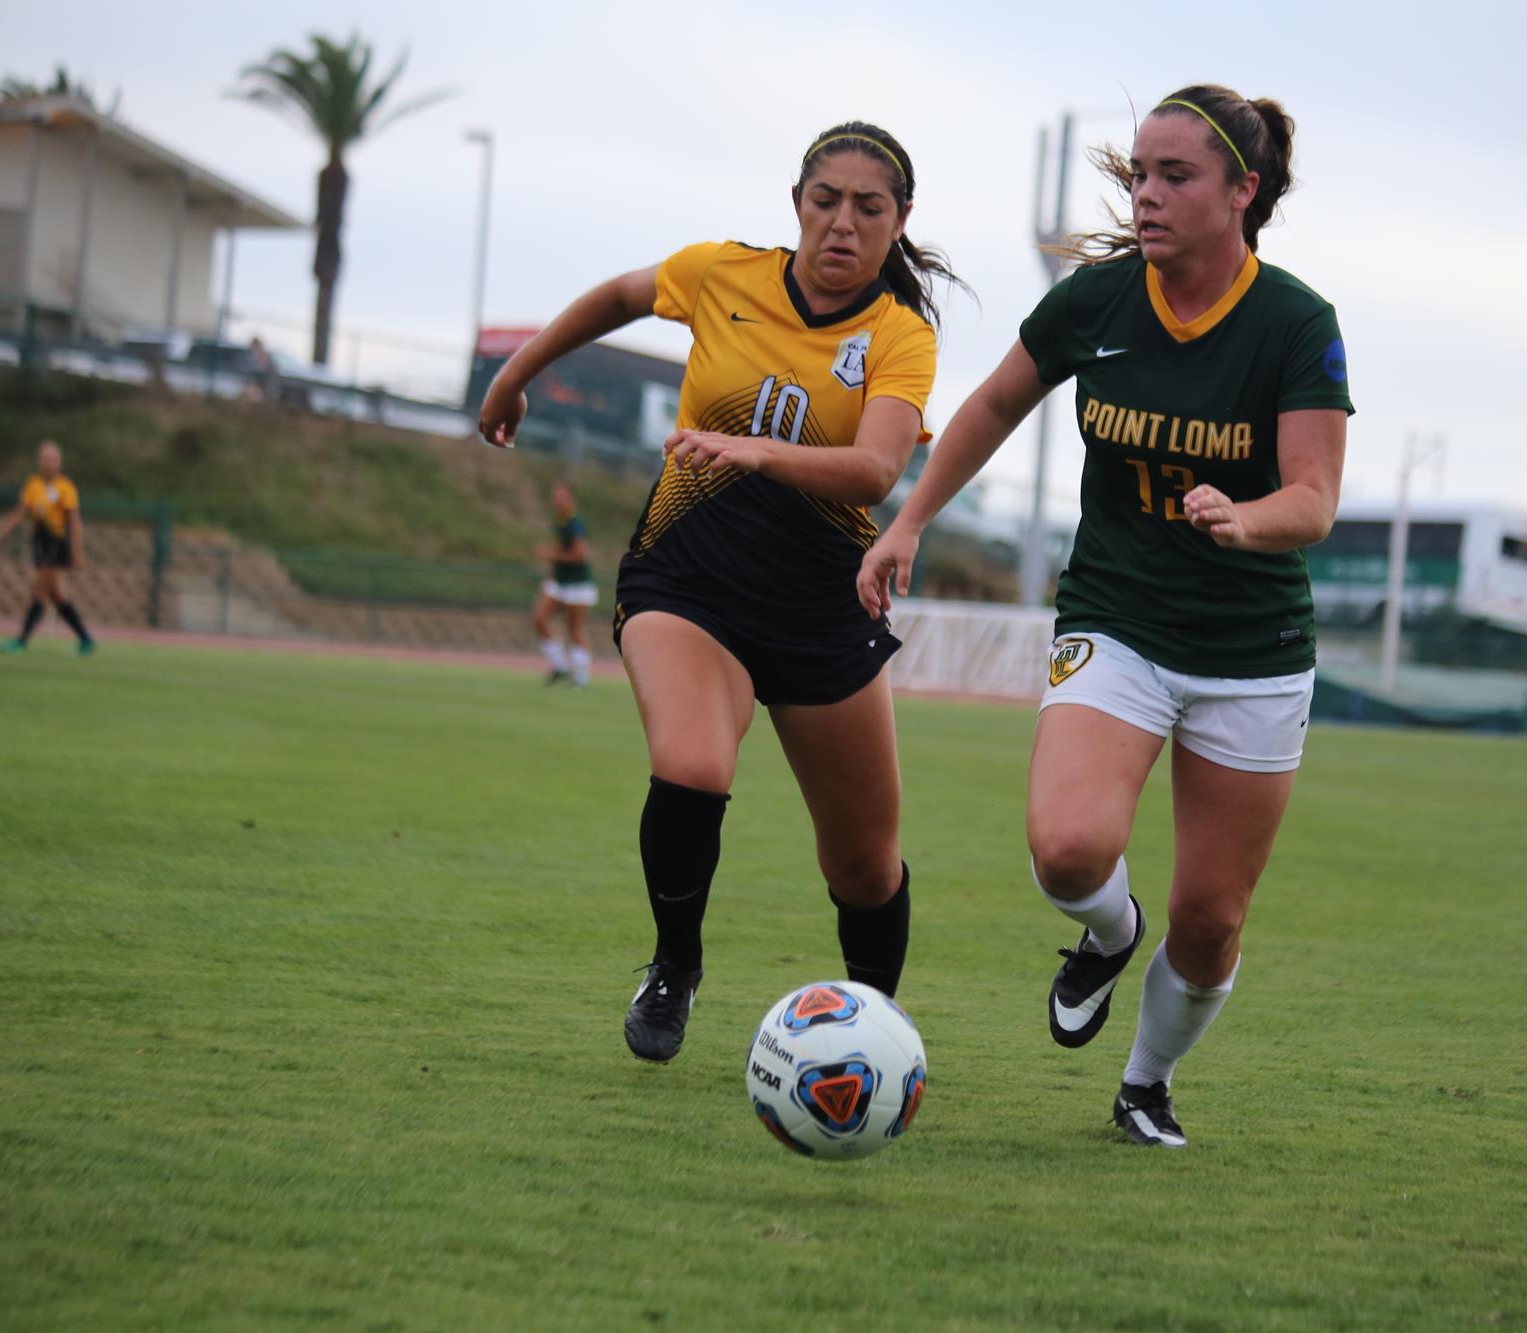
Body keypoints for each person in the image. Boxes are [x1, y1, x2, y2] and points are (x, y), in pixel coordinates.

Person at [859, 85, 1352, 1147]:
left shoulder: (1295, 324)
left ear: (1242, 192)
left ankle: (1143, 1083)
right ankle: (1105, 933)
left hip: (1251, 651)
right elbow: (991, 404)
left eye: (1174, 176)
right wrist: (909, 522)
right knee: (1070, 849)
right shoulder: (1096, 301)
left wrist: (1245, 516)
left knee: (1213, 920)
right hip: (1117, 616)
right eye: (1139, 173)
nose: (1147, 194)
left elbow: (1312, 500)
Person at [478, 121, 960, 1063]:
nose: (842, 225)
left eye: (869, 208)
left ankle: (872, 1035)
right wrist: (514, 375)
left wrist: (755, 451)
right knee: (693, 766)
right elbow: (620, 294)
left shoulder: (900, 335)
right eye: (826, 201)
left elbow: (872, 471)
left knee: (863, 865)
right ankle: (674, 965)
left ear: (900, 223)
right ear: (796, 204)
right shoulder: (720, 274)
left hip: (822, 606)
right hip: (687, 580)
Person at [0, 440, 97, 656]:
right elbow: (20, 513)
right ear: (39, 462)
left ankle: (21, 641)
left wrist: (78, 552)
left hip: (57, 544)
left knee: (38, 591)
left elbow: (74, 521)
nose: (48, 463)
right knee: (57, 596)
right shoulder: (33, 484)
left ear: (59, 462)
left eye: (52, 459)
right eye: (44, 458)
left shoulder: (66, 487)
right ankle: (86, 639)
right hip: (40, 541)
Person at [533, 480, 596, 686]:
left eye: (562, 496)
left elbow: (580, 555)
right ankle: (559, 664)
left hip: (577, 584)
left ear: (570, 498)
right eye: (555, 496)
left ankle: (581, 676)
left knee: (574, 628)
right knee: (539, 618)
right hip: (559, 583)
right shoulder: (559, 522)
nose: (558, 500)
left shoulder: (575, 523)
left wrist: (552, 554)